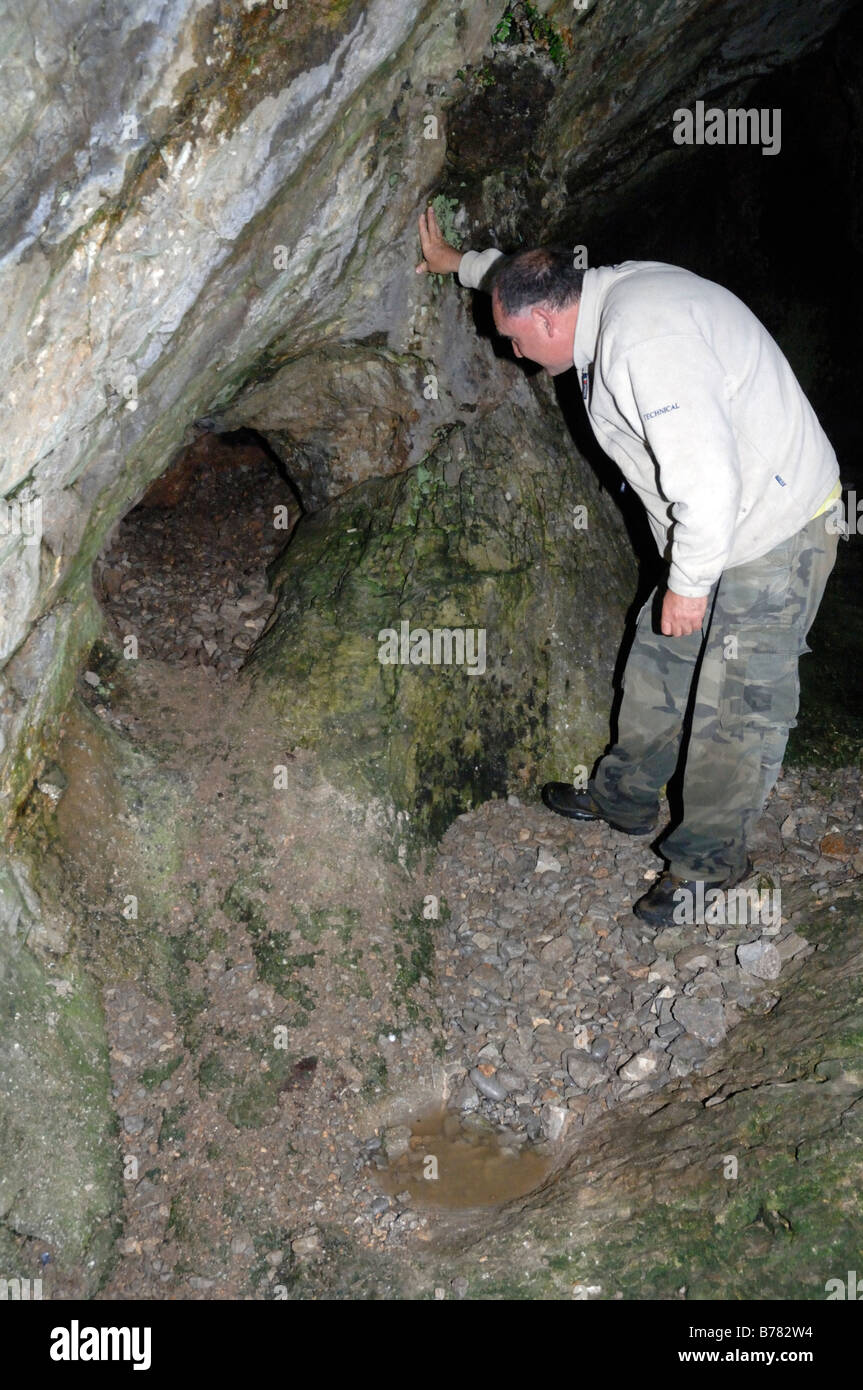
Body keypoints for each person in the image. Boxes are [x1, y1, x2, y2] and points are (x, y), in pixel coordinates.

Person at [416, 205, 842, 925]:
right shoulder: (591, 295)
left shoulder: (644, 342)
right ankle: (623, 798)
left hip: (774, 528)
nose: (513, 355)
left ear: (550, 324)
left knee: (734, 702)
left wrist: (687, 585)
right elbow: (515, 278)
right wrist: (456, 261)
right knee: (659, 655)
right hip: (718, 523)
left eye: (515, 342)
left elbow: (706, 482)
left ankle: (707, 866)